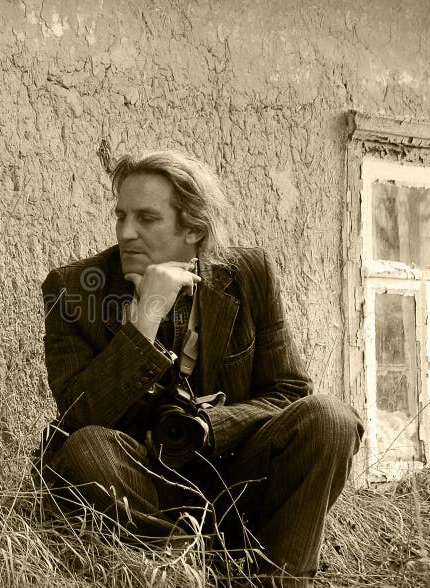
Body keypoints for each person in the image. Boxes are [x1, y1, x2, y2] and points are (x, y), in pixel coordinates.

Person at [37, 149, 364, 587]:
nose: (126, 233)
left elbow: (288, 391)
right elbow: (80, 416)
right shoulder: (73, 288)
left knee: (330, 418)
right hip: (137, 485)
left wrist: (210, 427)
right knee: (86, 449)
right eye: (120, 216)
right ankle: (195, 570)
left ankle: (279, 579)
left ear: (194, 228)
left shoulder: (249, 274)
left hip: (233, 473)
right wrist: (146, 317)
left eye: (146, 219)